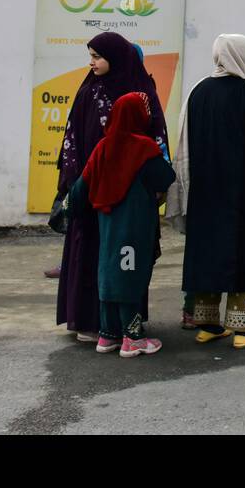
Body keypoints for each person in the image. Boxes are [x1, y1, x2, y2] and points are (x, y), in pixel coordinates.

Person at [167, 34, 245, 349]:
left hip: (203, 192)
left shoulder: (199, 93)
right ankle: (241, 329)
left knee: (208, 253)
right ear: (243, 58)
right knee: (243, 253)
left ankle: (208, 324)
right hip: (244, 195)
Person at [55, 32, 168, 342]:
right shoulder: (87, 91)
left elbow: (157, 137)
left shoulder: (141, 92)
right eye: (90, 55)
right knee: (94, 251)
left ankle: (122, 327)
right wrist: (73, 180)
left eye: (97, 56)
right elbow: (72, 139)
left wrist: (156, 185)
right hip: (93, 186)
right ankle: (92, 324)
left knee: (124, 255)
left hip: (131, 195)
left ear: (116, 58)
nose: (91, 62)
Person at [66, 92, 174, 357]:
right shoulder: (144, 148)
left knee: (110, 272)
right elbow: (165, 178)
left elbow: (82, 185)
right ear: (138, 116)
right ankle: (133, 338)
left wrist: (65, 212)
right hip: (135, 227)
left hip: (109, 226)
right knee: (132, 276)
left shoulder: (103, 146)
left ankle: (107, 335)